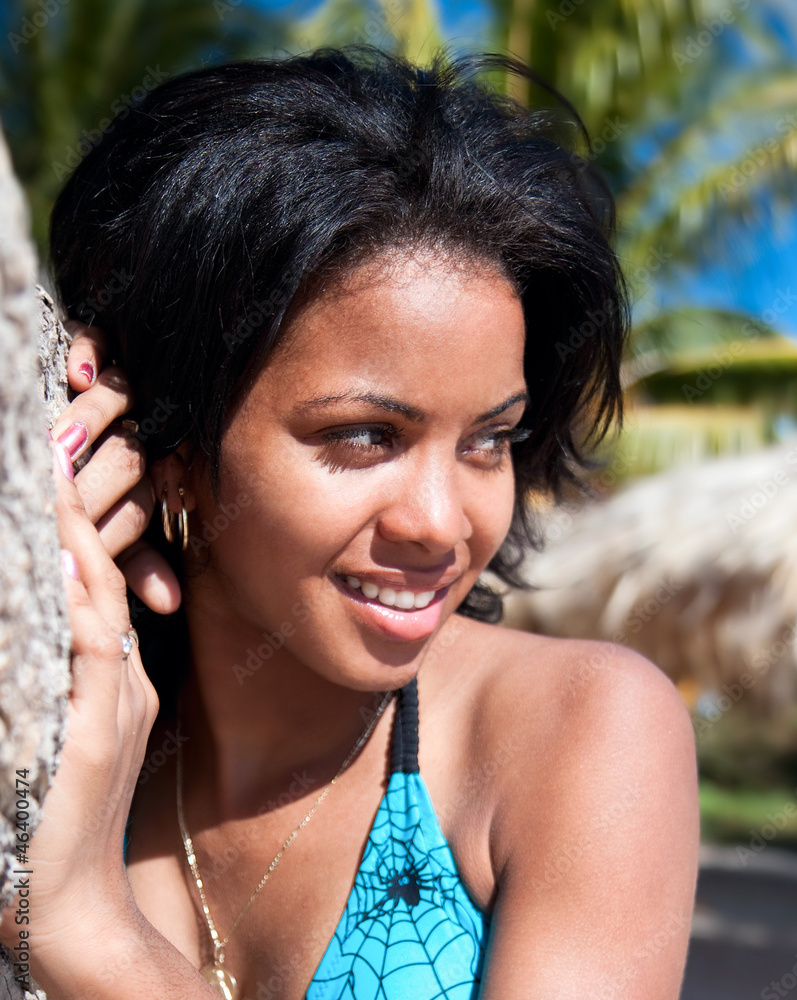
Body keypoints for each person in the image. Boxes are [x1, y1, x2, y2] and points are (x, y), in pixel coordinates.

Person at [1, 48, 698, 999]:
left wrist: (89, 929)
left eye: (489, 439)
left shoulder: (573, 731)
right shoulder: (63, 734)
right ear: (169, 439)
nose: (441, 523)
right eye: (367, 435)